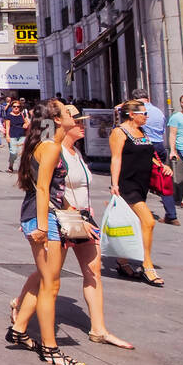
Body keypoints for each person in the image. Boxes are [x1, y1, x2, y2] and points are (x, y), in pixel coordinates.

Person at [7, 101, 87, 365]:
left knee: (45, 279)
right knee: (51, 285)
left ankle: (19, 330)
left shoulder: (45, 145)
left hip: (43, 214)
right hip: (42, 218)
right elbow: (42, 190)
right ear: (55, 119)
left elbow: (51, 190)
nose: (73, 116)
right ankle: (50, 349)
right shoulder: (51, 147)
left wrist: (72, 212)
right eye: (67, 113)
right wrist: (42, 226)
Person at [54, 101, 133, 349]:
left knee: (94, 271)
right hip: (65, 217)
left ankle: (98, 329)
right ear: (63, 124)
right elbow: (50, 189)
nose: (81, 127)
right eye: (77, 123)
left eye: (82, 123)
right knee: (49, 275)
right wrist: (74, 215)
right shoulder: (55, 151)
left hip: (85, 217)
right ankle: (20, 303)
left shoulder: (77, 152)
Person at [109, 98, 174, 286]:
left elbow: (149, 153)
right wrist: (114, 184)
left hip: (142, 182)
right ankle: (147, 265)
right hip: (127, 184)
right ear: (132, 114)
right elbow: (116, 158)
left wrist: (162, 166)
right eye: (143, 113)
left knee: (136, 224)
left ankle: (122, 261)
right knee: (148, 221)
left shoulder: (141, 131)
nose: (147, 116)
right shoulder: (119, 132)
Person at [134, 88, 179, 225]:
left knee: (140, 180)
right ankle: (171, 214)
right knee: (162, 179)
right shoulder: (158, 111)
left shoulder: (137, 112)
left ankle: (138, 212)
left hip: (144, 145)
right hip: (159, 145)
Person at [3, 99, 27, 173]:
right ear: (11, 107)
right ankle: (11, 164)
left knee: (20, 153)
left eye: (18, 106)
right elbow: (7, 126)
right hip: (12, 135)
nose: (16, 108)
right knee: (13, 152)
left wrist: (26, 125)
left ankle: (20, 168)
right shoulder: (9, 116)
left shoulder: (22, 114)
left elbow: (27, 122)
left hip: (22, 135)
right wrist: (7, 135)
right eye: (14, 106)